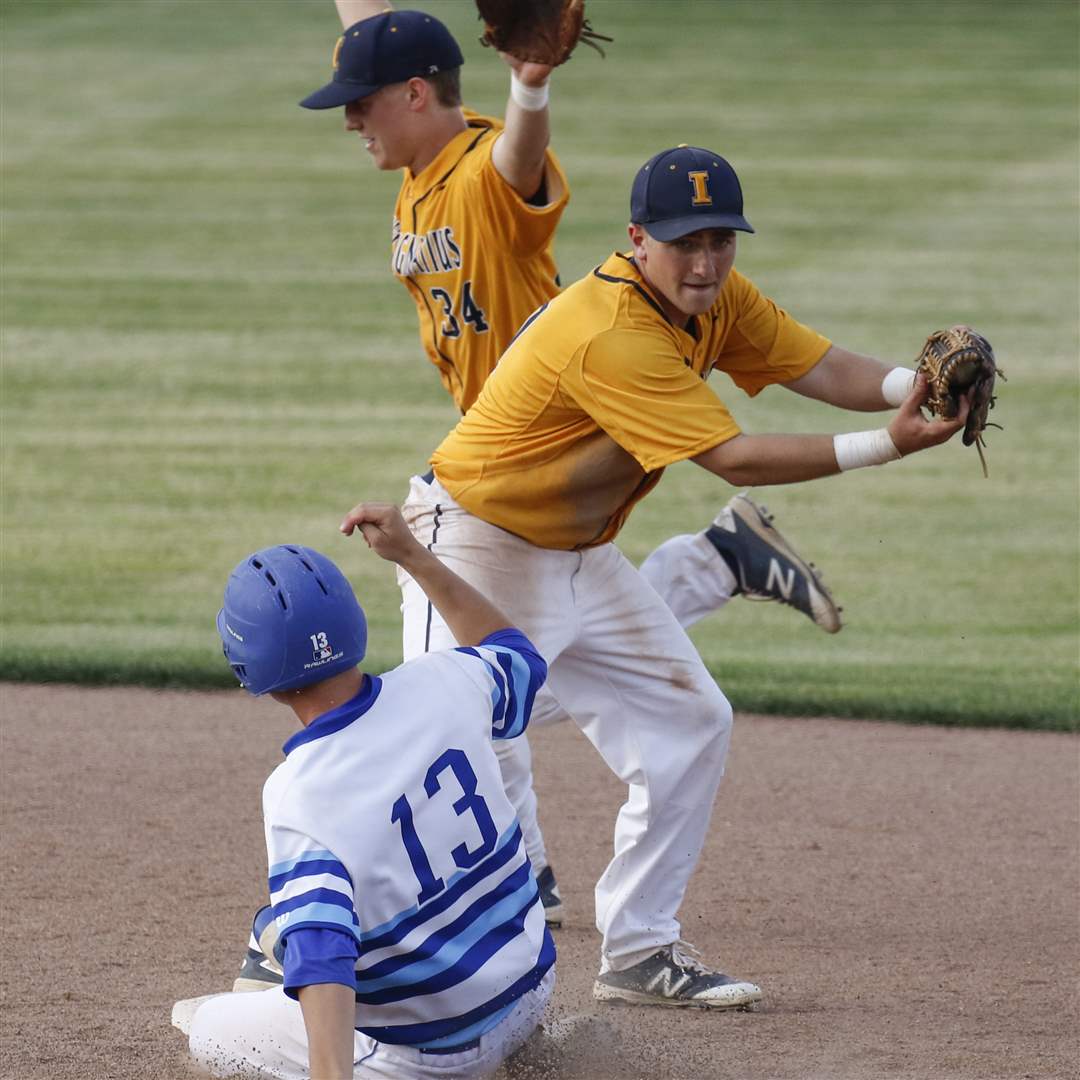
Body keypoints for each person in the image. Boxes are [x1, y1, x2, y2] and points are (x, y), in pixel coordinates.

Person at [340, 145, 970, 1009]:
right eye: (684, 242)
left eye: (720, 240)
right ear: (637, 238)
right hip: (470, 541)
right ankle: (315, 929)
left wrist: (922, 384)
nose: (706, 262)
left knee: (689, 719)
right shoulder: (610, 332)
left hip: (579, 552)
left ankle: (637, 949)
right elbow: (735, 456)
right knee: (441, 738)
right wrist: (892, 442)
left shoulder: (716, 298)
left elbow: (816, 366)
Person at [301, 6, 842, 928]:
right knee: (499, 686)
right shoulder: (421, 177)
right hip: (518, 459)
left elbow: (515, 161)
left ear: (418, 94)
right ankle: (714, 564)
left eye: (364, 102)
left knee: (460, 704)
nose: (352, 118)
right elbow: (384, 30)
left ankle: (385, 902)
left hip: (551, 429)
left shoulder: (476, 173)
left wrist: (529, 84)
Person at [181, 505, 554, 1078]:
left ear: (247, 667)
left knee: (207, 1025)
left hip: (428, 1059)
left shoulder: (298, 794)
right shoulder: (448, 678)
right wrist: (413, 556)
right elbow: (519, 654)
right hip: (531, 997)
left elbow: (325, 954)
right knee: (280, 927)